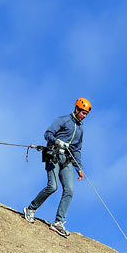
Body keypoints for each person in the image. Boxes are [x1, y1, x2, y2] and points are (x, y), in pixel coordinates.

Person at [23, 98, 91, 237]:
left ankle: (58, 222)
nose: (84, 116)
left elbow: (77, 150)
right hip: (52, 155)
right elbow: (47, 134)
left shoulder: (80, 130)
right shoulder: (63, 120)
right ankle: (30, 209)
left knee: (69, 190)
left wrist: (79, 168)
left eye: (86, 114)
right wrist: (57, 141)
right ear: (77, 109)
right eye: (83, 113)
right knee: (53, 186)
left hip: (66, 160)